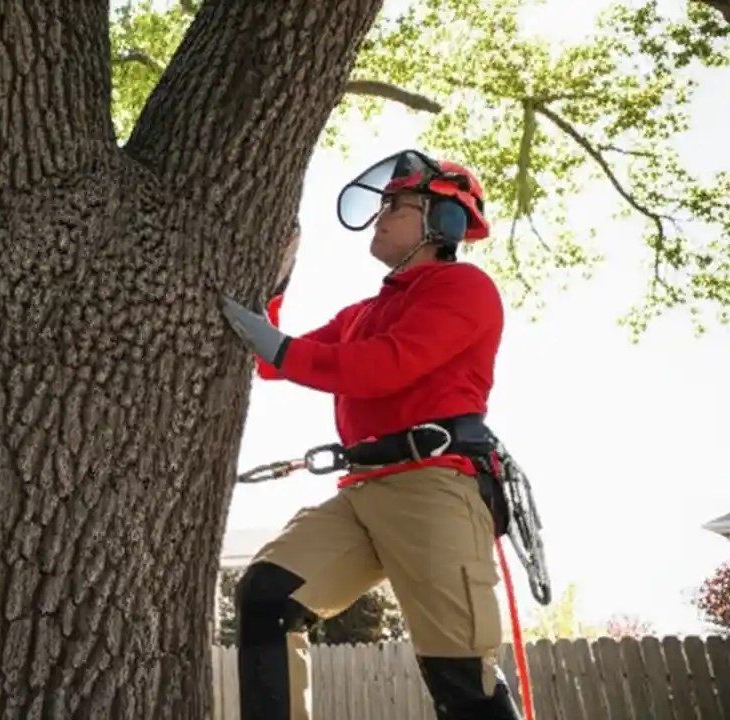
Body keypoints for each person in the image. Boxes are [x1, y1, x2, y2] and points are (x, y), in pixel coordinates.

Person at [218, 150, 523, 719]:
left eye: (398, 205)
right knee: (267, 595)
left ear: (444, 221)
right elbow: (277, 361)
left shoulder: (463, 288)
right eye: (383, 204)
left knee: (462, 679)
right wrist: (273, 289)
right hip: (364, 488)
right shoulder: (363, 312)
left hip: (435, 487)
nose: (382, 216)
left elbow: (383, 366)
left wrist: (277, 346)